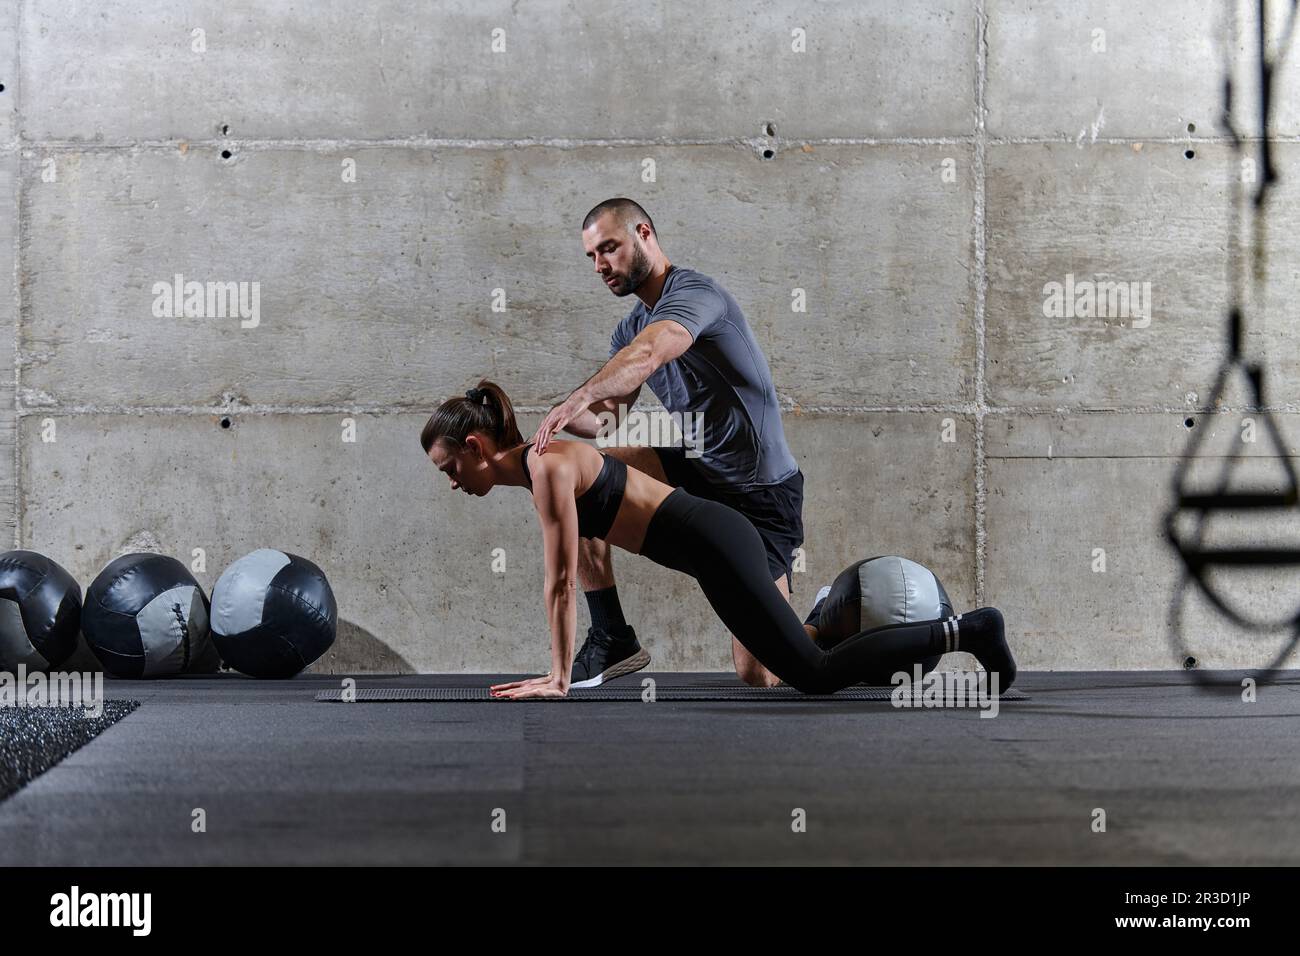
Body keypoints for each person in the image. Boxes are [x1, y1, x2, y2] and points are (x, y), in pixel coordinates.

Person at [420, 380, 1016, 700]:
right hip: (713, 549)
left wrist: (557, 678)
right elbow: (585, 555)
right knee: (804, 670)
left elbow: (557, 583)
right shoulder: (544, 467)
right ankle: (963, 631)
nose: (452, 485)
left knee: (814, 672)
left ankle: (970, 630)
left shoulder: (547, 466)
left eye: (449, 469)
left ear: (475, 448)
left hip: (718, 543)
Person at [530, 198, 805, 689]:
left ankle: (833, 617)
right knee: (576, 474)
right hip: (701, 469)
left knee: (760, 673)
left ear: (645, 234)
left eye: (609, 249)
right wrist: (545, 428)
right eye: (592, 256)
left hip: (761, 492)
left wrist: (581, 395)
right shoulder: (630, 325)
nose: (601, 266)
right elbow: (607, 421)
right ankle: (613, 635)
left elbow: (651, 352)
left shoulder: (695, 294)